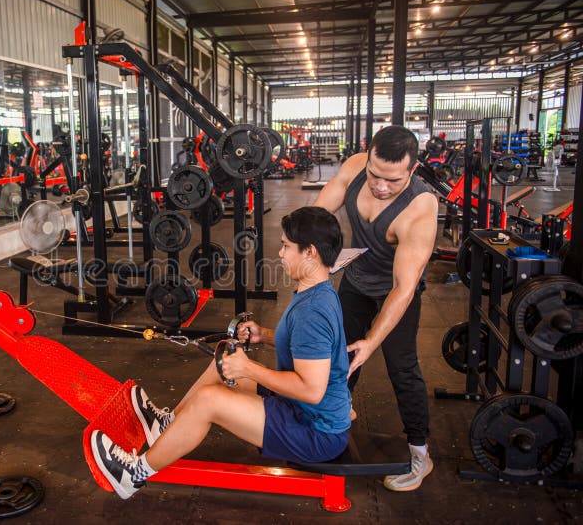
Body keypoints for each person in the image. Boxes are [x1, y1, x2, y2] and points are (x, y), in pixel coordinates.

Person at [90, 207, 351, 499]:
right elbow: (309, 352)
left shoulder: (312, 311)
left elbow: (312, 390)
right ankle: (166, 425)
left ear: (310, 252)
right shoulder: (318, 292)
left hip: (315, 432)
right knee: (222, 362)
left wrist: (249, 370)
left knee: (208, 401)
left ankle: (132, 475)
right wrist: (264, 335)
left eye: (286, 246)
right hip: (303, 411)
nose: (280, 254)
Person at [313, 125, 438, 492]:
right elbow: (317, 215)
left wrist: (371, 341)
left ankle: (420, 454)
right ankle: (333, 422)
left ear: (412, 170)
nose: (381, 186)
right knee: (340, 357)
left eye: (393, 180)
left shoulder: (420, 208)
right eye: (375, 175)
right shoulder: (354, 168)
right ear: (367, 159)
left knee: (402, 367)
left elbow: (403, 287)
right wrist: (303, 251)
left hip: (396, 290)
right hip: (358, 277)